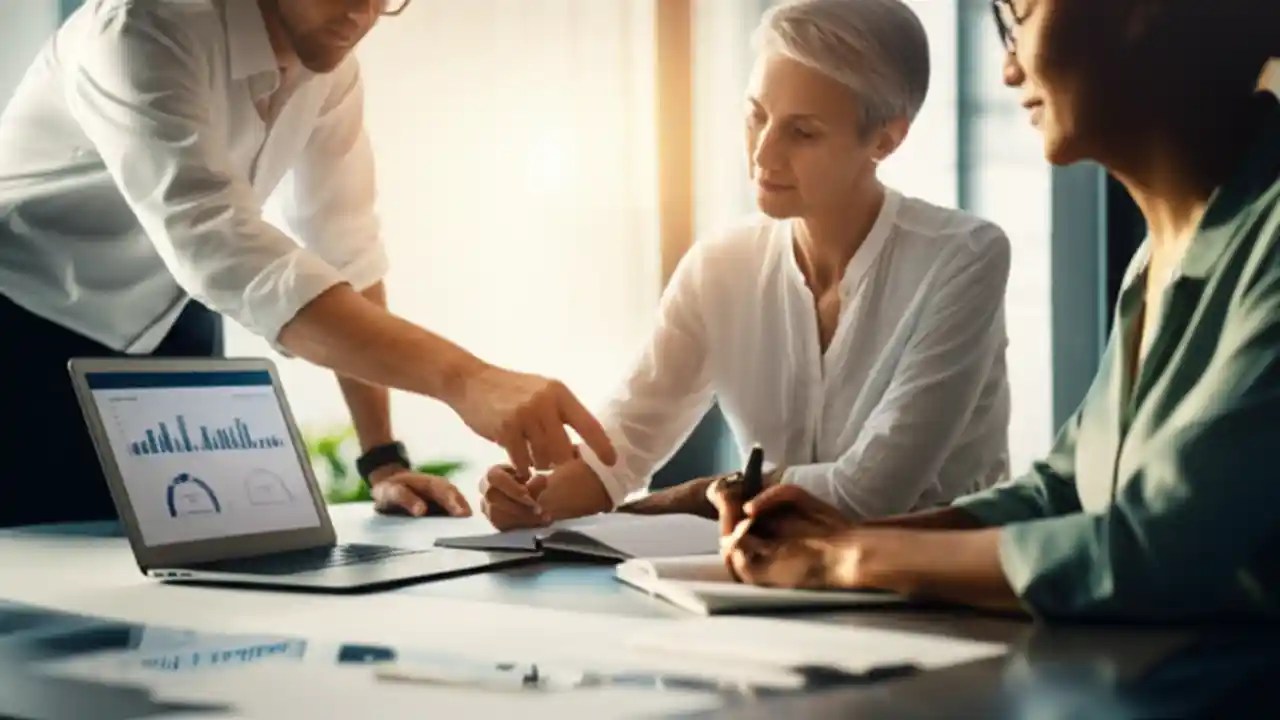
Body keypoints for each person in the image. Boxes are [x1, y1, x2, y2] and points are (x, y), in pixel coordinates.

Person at [712, 0, 1280, 621]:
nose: (1008, 69)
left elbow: (1167, 548)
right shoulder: (1160, 255)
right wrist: (847, 538)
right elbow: (1063, 490)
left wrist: (849, 559)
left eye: (1019, 16)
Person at [0, 0, 616, 528]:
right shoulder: (141, 27)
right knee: (35, 587)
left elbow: (346, 248)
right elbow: (224, 248)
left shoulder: (331, 71)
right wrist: (466, 379)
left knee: (193, 565)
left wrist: (384, 460)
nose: (366, 10)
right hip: (21, 315)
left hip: (168, 320)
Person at [479, 0, 1012, 532]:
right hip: (769, 589)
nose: (762, 155)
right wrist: (533, 498)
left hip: (937, 597)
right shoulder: (722, 266)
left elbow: (869, 491)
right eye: (756, 116)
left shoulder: (964, 258)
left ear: (885, 139)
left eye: (802, 132)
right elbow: (615, 454)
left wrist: (697, 497)